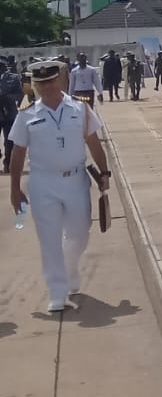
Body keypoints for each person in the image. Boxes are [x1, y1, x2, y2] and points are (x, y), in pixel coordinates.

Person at [8, 59, 112, 313]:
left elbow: (94, 143)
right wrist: (14, 188)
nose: (46, 88)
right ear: (35, 85)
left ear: (61, 80)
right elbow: (17, 153)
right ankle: (57, 291)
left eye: (50, 82)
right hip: (43, 182)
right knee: (49, 238)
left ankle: (70, 266)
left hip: (76, 179)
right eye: (40, 83)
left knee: (80, 232)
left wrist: (104, 173)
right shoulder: (27, 115)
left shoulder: (80, 109)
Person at [1, 57, 22, 173]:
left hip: (9, 113)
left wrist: (7, 98)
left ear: (5, 67)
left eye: (1, 66)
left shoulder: (13, 78)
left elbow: (20, 95)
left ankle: (8, 163)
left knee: (9, 141)